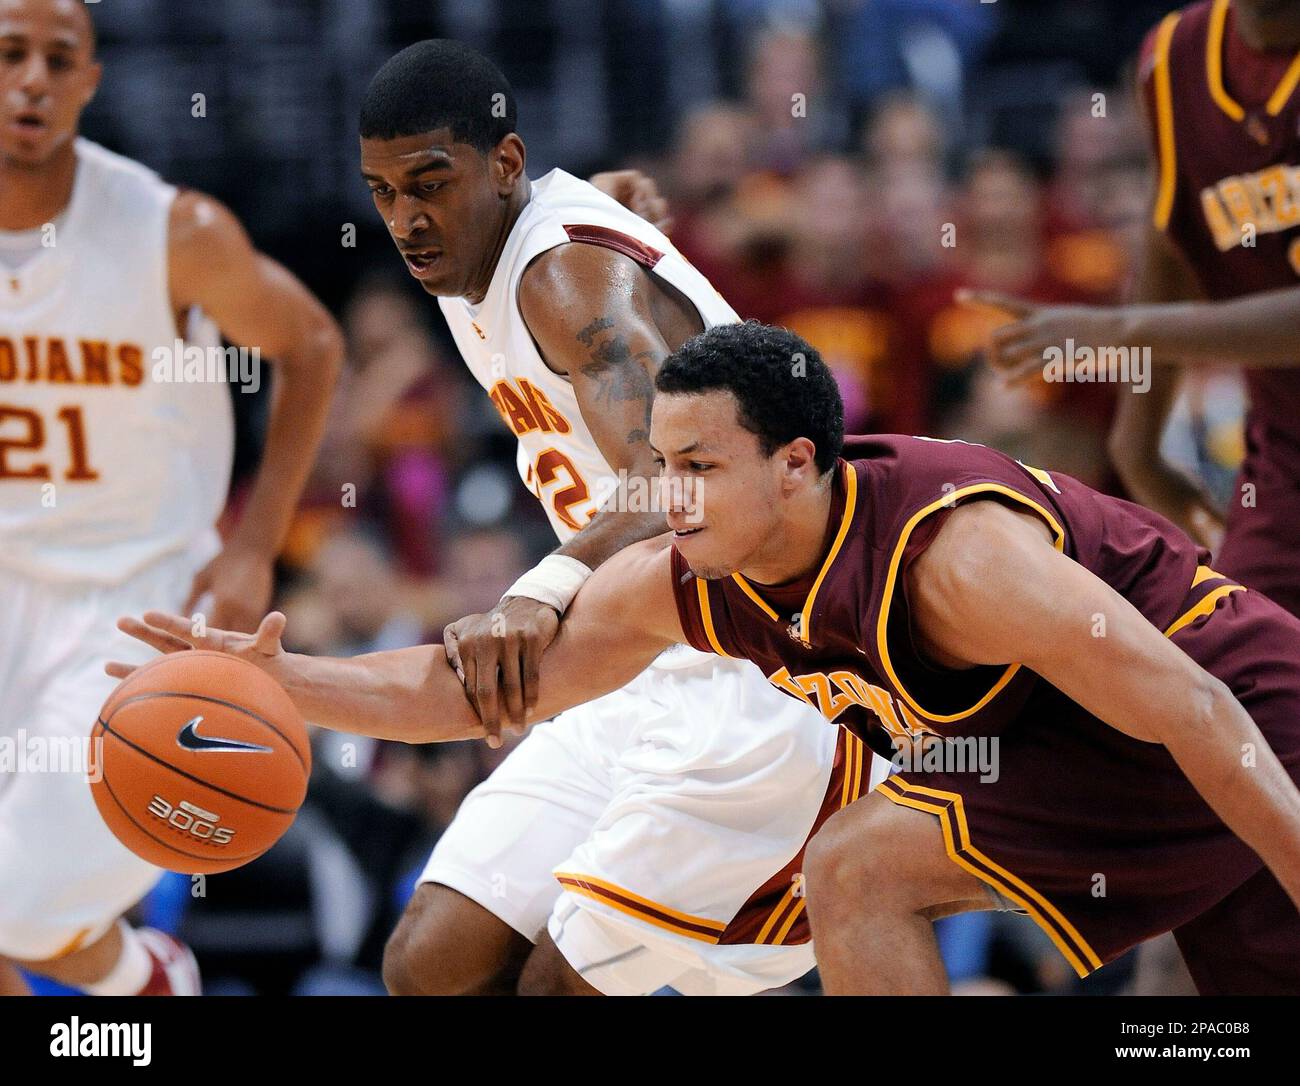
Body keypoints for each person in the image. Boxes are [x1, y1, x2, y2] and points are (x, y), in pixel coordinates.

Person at [117, 322, 1300, 995]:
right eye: (658, 463)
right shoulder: (690, 576)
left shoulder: (952, 559)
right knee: (857, 868)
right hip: (1062, 749)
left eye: (696, 466)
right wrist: (279, 681)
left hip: (1239, 719)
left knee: (866, 868)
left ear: (794, 464)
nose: (662, 496)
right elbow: (468, 689)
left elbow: (1192, 703)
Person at [352, 40, 885, 996]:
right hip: (636, 650)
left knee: (561, 987)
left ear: (505, 165)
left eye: (428, 183)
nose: (406, 219)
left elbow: (672, 478)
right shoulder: (494, 245)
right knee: (430, 962)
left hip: (760, 664)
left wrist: (542, 587)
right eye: (384, 193)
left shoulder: (563, 280)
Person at [0, 0, 343, 994]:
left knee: (16, 904)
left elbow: (312, 343)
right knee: (23, 915)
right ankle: (141, 984)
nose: (31, 79)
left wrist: (252, 545)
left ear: (89, 83)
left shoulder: (170, 229)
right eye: (8, 54)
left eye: (57, 60)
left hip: (137, 602)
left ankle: (139, 983)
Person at [963, 0, 1300, 616]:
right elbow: (1170, 223)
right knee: (1250, 673)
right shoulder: (1175, 55)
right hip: (1284, 461)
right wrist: (1136, 441)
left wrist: (1120, 331)